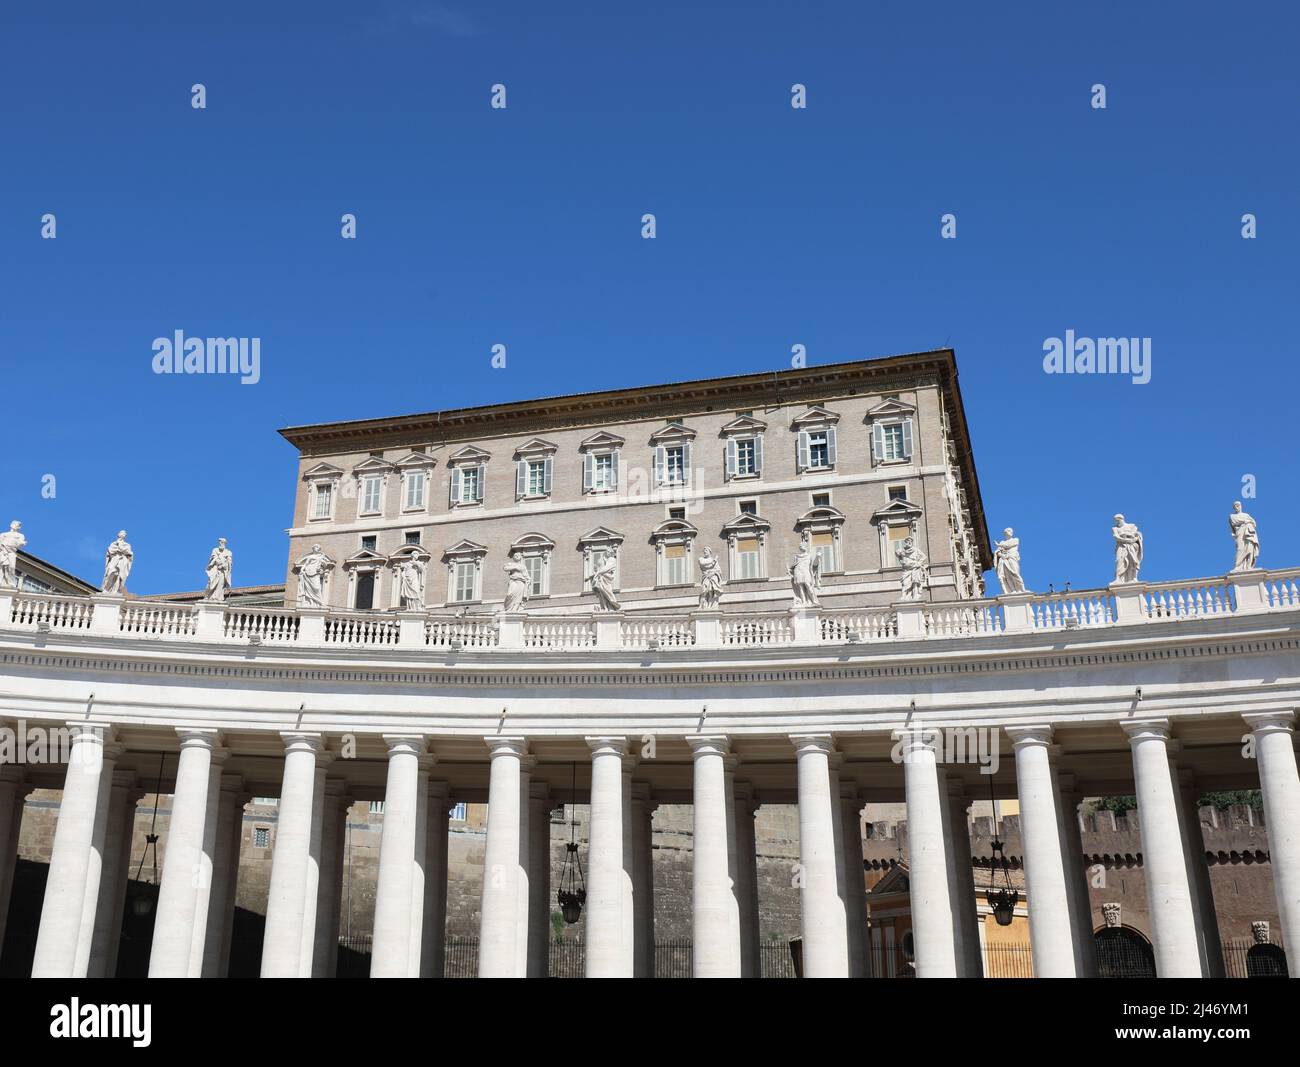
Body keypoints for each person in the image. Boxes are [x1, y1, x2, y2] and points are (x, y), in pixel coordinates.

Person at [1229, 501, 1260, 571]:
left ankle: (1249, 566)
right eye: (1235, 506)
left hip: (1249, 533)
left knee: (1250, 548)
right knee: (1240, 549)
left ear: (1241, 506)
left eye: (1238, 505)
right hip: (1240, 533)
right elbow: (1234, 523)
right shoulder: (1232, 516)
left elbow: (1253, 523)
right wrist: (1245, 521)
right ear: (1234, 508)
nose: (1237, 507)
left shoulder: (1246, 515)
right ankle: (1238, 566)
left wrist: (1248, 523)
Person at [993, 528, 1026, 594]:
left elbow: (1009, 545)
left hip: (1012, 558)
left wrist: (998, 545)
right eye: (1008, 531)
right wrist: (1002, 555)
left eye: (1011, 531)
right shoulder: (1002, 542)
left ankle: (1022, 589)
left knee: (1014, 573)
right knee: (1006, 576)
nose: (1010, 532)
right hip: (1004, 559)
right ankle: (1012, 590)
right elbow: (998, 552)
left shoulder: (1015, 539)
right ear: (1005, 533)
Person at [101, 531, 134, 595]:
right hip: (115, 559)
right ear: (118, 534)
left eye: (124, 534)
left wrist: (120, 549)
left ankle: (115, 591)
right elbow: (110, 551)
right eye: (122, 533)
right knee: (111, 572)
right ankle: (106, 589)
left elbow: (129, 552)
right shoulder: (113, 543)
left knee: (119, 575)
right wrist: (120, 549)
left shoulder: (127, 545)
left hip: (122, 560)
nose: (123, 534)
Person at [205, 537, 233, 602]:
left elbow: (229, 562)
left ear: (225, 543)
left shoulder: (228, 552)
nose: (222, 543)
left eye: (223, 542)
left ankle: (217, 597)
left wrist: (224, 565)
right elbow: (213, 558)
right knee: (211, 582)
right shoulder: (215, 550)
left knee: (220, 584)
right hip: (215, 570)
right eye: (221, 542)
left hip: (223, 571)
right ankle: (209, 596)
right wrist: (217, 561)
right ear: (219, 542)